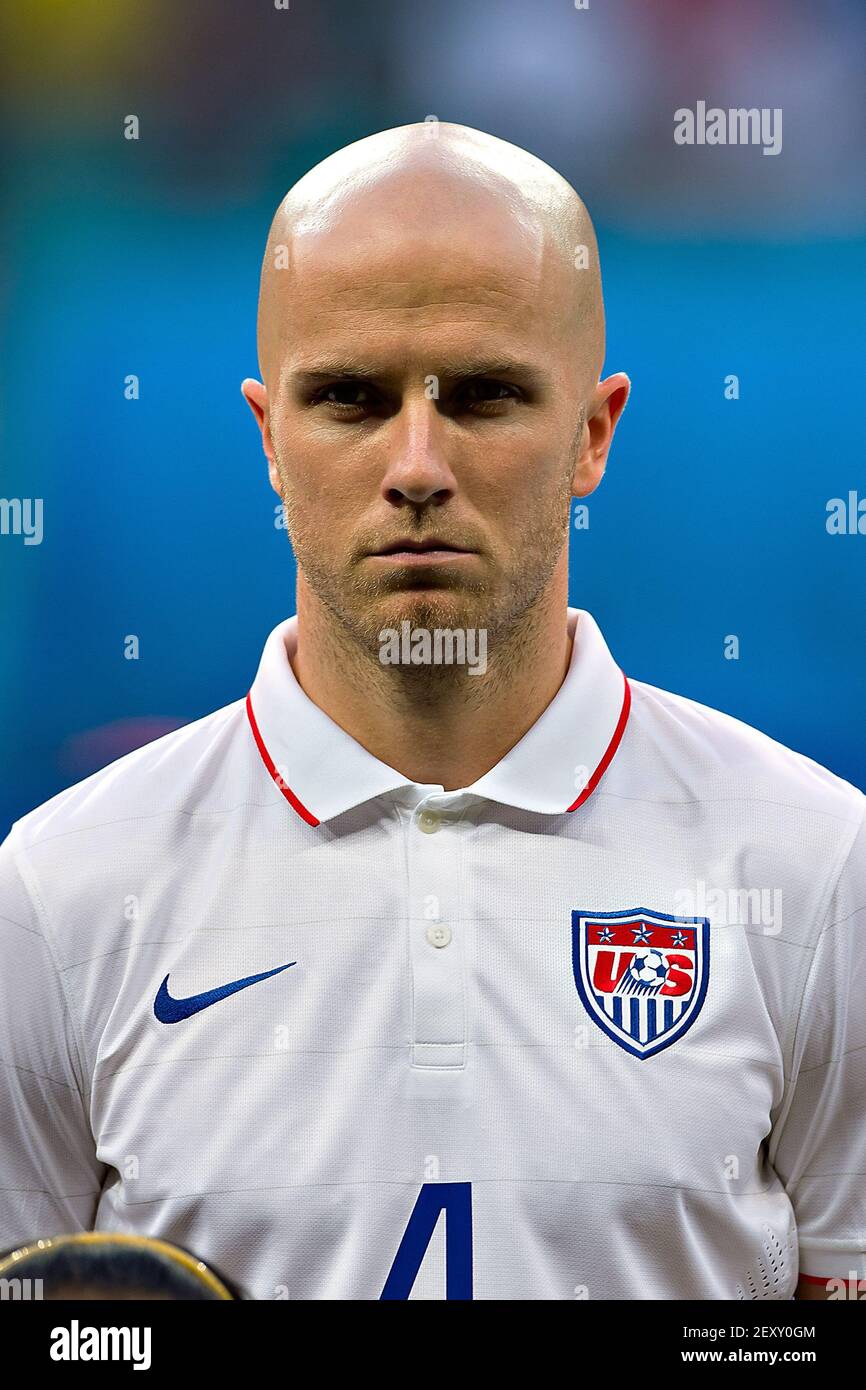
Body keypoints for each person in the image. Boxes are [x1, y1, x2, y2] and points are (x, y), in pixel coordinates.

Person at [0, 122, 862, 1300]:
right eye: (350, 398)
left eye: (483, 396)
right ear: (268, 438)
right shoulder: (59, 897)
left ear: (591, 433)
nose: (415, 463)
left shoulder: (814, 866)